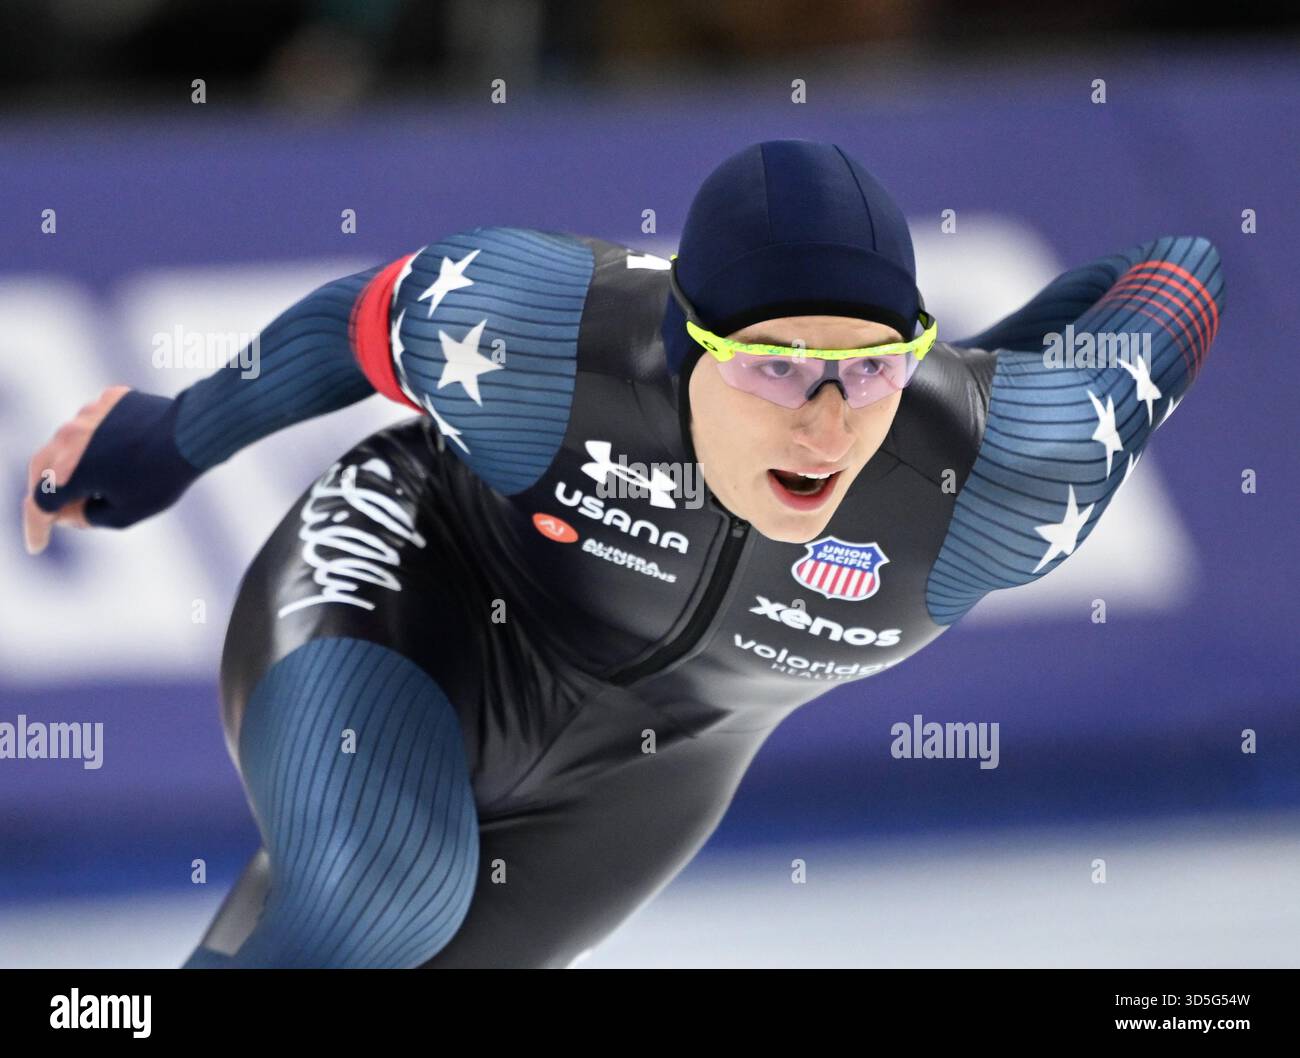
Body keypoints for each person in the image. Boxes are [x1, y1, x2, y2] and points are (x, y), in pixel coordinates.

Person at [22, 140, 1224, 968]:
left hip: (662, 759)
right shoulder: (546, 335)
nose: (823, 420)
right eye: (771, 364)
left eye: (865, 365)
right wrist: (165, 440)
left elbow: (1176, 271)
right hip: (418, 591)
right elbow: (353, 324)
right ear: (682, 345)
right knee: (384, 887)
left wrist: (982, 358)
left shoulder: (1003, 470)